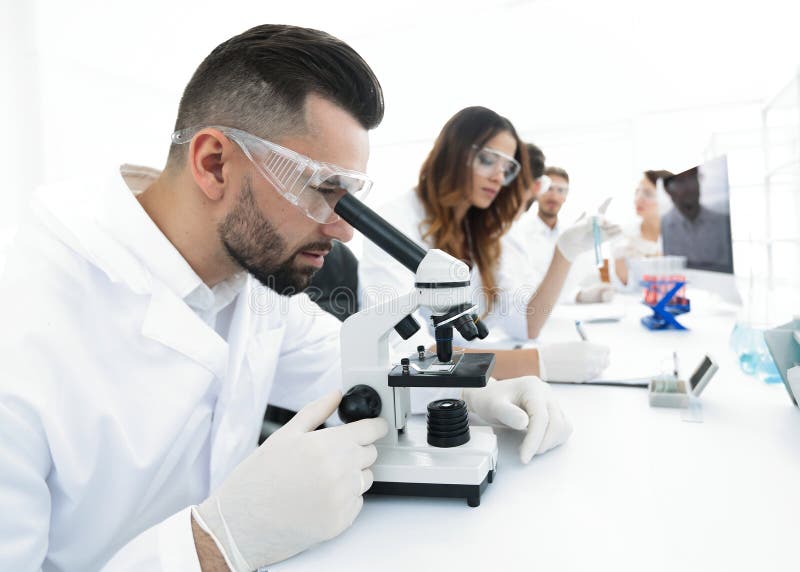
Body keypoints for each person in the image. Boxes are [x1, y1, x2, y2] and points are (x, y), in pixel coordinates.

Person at [0, 25, 572, 572]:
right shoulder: (26, 328)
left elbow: (351, 366)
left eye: (349, 198)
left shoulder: (248, 283)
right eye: (323, 191)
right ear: (214, 163)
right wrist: (215, 545)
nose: (345, 229)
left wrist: (478, 396)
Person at [359, 107, 618, 393]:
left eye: (506, 169)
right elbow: (405, 353)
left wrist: (565, 253)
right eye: (487, 160)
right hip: (417, 404)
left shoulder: (480, 231)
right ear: (453, 153)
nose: (498, 177)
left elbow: (525, 325)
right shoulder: (392, 223)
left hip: (473, 393)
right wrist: (535, 363)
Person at [502, 165, 617, 307]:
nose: (554, 196)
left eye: (561, 190)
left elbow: (573, 277)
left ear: (566, 197)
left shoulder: (571, 233)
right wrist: (577, 296)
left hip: (565, 316)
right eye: (549, 188)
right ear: (538, 191)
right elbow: (526, 286)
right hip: (529, 314)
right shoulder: (519, 233)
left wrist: (583, 294)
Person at [661, 167, 733, 273]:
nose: (690, 187)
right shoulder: (661, 227)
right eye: (681, 181)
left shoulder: (723, 223)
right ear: (668, 190)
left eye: (693, 178)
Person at [612, 169, 673, 286]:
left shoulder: (679, 234)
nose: (638, 199)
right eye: (637, 192)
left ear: (667, 198)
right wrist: (619, 262)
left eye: (648, 194)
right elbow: (621, 287)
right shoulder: (624, 236)